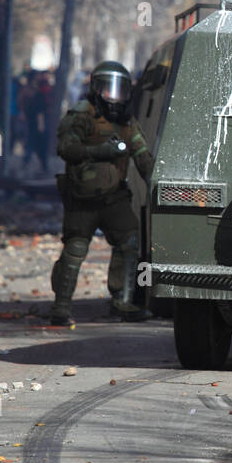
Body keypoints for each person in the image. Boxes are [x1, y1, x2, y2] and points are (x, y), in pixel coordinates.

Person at [49, 60, 153, 325]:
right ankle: (60, 307)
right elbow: (65, 148)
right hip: (82, 198)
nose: (114, 97)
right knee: (75, 249)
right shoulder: (83, 114)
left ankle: (123, 302)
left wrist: (157, 183)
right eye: (108, 90)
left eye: (119, 90)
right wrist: (99, 152)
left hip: (114, 196)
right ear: (97, 90)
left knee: (129, 243)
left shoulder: (127, 122)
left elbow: (142, 156)